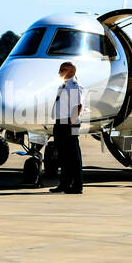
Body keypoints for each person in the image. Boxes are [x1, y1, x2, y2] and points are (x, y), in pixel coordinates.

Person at [50, 61, 84, 193]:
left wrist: (72, 121)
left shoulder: (74, 86)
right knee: (63, 156)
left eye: (63, 69)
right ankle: (64, 184)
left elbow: (78, 105)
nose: (60, 72)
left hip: (70, 123)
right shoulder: (63, 86)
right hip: (60, 122)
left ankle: (77, 185)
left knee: (73, 155)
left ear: (71, 71)